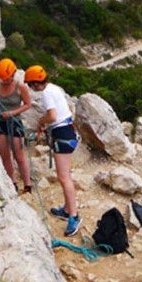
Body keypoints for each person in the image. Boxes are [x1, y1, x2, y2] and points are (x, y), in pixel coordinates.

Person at [24, 65, 81, 236]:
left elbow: (53, 116)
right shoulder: (53, 88)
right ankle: (67, 209)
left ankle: (74, 215)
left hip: (62, 134)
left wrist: (42, 121)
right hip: (66, 131)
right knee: (66, 176)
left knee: (64, 178)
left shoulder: (46, 93)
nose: (29, 88)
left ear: (35, 83)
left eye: (30, 84)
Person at [0, 58, 32, 194]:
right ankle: (12, 182)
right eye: (3, 79)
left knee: (19, 155)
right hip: (0, 123)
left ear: (13, 75)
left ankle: (27, 185)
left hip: (15, 123)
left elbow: (27, 104)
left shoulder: (20, 87)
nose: (5, 81)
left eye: (7, 79)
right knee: (4, 154)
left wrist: (12, 112)